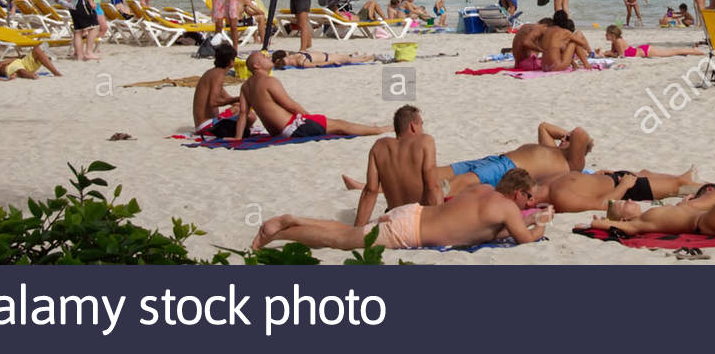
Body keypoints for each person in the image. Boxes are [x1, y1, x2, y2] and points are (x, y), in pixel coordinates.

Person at [253, 169, 549, 252]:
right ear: (517, 193)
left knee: (348, 232)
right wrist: (542, 223)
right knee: (341, 241)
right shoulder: (508, 209)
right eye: (529, 198)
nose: (530, 204)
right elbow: (526, 238)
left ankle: (291, 221)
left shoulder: (482, 190)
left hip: (411, 213)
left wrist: (529, 217)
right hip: (408, 231)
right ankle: (286, 230)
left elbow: (482, 226)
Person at [234, 50, 386, 141]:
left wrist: (238, 138)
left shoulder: (245, 86)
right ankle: (379, 130)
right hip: (291, 128)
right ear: (257, 66)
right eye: (264, 57)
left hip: (277, 131)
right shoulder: (269, 81)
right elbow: (290, 105)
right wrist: (309, 118)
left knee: (333, 123)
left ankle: (370, 128)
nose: (268, 57)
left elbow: (243, 114)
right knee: (340, 125)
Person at [432, 121, 594, 196]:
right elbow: (544, 126)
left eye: (568, 139)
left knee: (462, 182)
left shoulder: (572, 165)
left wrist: (577, 140)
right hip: (495, 161)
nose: (564, 138)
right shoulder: (552, 149)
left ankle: (427, 205)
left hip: (507, 169)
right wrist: (567, 136)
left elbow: (580, 133)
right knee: (437, 173)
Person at [349, 105, 442, 225]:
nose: (422, 129)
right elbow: (432, 187)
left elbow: (370, 191)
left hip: (394, 220)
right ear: (413, 126)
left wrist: (357, 229)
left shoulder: (379, 147)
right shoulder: (425, 141)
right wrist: (440, 223)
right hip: (418, 220)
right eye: (421, 124)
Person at [533, 166, 699, 213]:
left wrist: (593, 176)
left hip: (614, 178)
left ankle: (688, 180)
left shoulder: (544, 181)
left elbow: (576, 179)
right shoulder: (560, 196)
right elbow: (602, 204)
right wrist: (624, 186)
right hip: (626, 189)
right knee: (680, 185)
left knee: (645, 172)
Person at [192, 42, 241, 135]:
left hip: (202, 124)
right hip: (205, 125)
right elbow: (213, 102)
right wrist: (238, 99)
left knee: (239, 107)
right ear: (231, 62)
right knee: (238, 110)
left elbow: (228, 98)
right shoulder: (218, 75)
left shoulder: (212, 73)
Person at [603, 24, 703, 59]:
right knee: (671, 52)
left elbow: (621, 56)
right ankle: (690, 51)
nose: (605, 35)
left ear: (612, 35)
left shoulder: (618, 41)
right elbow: (614, 53)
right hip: (641, 50)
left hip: (646, 52)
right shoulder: (614, 41)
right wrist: (605, 53)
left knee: (672, 52)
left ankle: (694, 51)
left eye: (606, 34)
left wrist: (608, 54)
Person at [270, 48, 373, 69]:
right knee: (355, 60)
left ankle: (353, 53)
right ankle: (373, 57)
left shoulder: (296, 59)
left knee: (348, 57)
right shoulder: (298, 58)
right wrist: (332, 62)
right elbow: (318, 65)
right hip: (328, 56)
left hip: (327, 54)